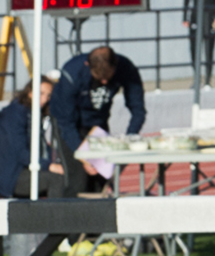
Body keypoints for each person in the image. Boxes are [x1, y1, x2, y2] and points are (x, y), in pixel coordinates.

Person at [49, 45, 145, 191]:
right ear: (88, 66)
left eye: (108, 77)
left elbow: (138, 109)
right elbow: (66, 122)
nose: (105, 82)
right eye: (100, 78)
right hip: (71, 123)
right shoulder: (72, 73)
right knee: (78, 177)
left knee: (102, 175)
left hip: (98, 123)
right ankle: (74, 210)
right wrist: (83, 156)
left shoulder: (126, 68)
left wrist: (129, 137)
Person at [185, 0, 215, 87]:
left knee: (209, 51)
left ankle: (207, 80)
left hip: (210, 21)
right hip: (196, 19)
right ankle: (197, 79)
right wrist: (185, 18)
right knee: (194, 50)